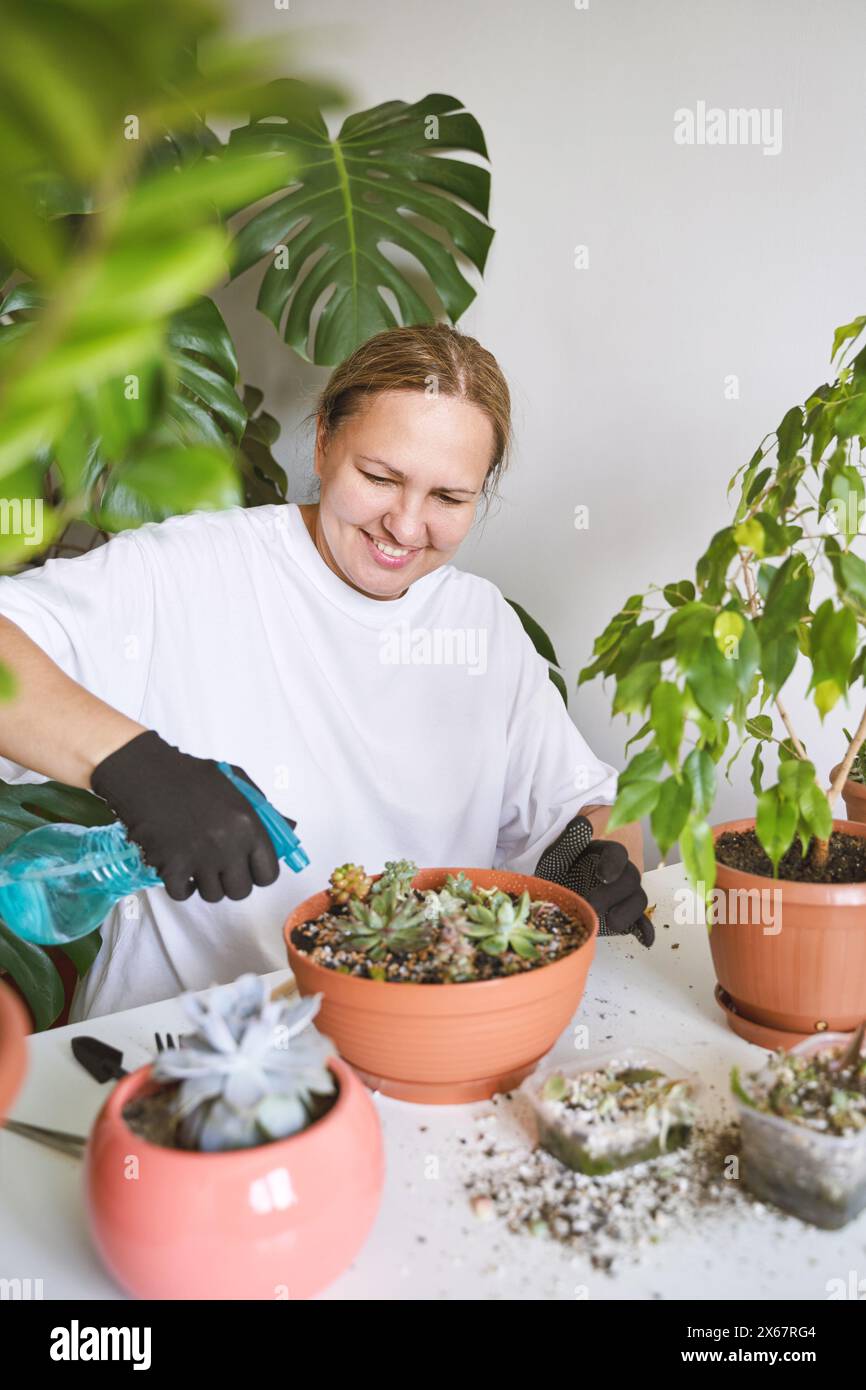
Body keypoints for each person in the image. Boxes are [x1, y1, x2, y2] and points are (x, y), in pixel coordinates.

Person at [0, 323, 648, 1022]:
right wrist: (136, 766)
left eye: (448, 499)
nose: (405, 526)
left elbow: (585, 806)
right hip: (184, 1045)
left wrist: (602, 857)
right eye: (380, 478)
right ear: (323, 442)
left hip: (402, 1039)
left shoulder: (479, 624)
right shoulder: (189, 570)